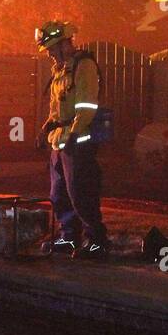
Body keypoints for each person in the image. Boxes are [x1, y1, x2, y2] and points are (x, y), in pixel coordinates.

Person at [35, 20, 109, 260]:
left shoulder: (83, 65)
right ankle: (68, 238)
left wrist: (75, 134)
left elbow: (87, 105)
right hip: (60, 141)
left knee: (81, 193)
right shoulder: (61, 69)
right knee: (58, 194)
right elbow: (57, 107)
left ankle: (98, 242)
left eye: (51, 49)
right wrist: (45, 129)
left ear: (65, 44)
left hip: (78, 141)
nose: (49, 54)